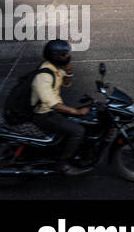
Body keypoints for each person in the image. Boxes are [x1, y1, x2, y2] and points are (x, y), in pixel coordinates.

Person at [30, 40, 90, 175]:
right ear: (55, 56)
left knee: (84, 121)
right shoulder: (44, 76)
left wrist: (69, 72)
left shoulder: (55, 68)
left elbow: (66, 83)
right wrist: (77, 111)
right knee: (78, 131)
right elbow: (54, 105)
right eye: (64, 55)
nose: (68, 56)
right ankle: (62, 164)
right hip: (43, 114)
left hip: (52, 109)